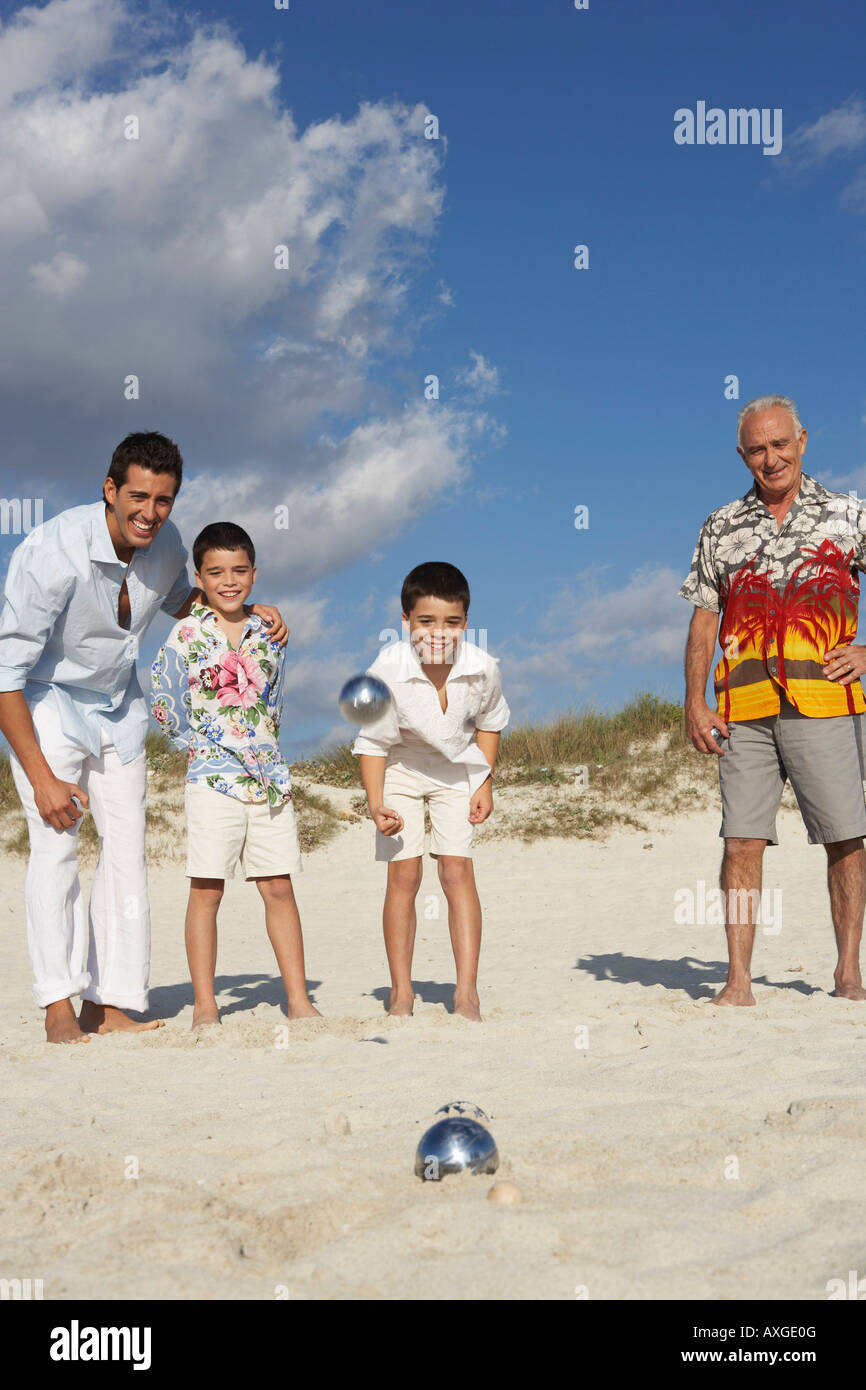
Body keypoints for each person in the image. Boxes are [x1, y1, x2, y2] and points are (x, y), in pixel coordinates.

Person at [0, 433, 287, 1044]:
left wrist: (248, 608)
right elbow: (5, 676)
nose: (149, 512)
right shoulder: (51, 553)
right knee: (56, 848)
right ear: (110, 490)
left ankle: (111, 1003)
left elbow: (186, 601)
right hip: (49, 704)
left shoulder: (168, 546)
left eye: (164, 499)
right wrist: (41, 775)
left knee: (126, 853)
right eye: (137, 496)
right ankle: (58, 1004)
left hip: (119, 711)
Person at [681, 394, 866, 1006]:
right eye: (757, 449)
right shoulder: (719, 526)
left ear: (802, 441)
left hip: (828, 701)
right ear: (743, 455)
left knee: (845, 837)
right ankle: (738, 980)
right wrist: (694, 701)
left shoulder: (847, 513)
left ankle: (847, 973)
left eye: (780, 444)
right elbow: (705, 620)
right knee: (740, 840)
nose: (771, 458)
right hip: (744, 710)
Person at [150, 522, 318, 1027]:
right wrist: (197, 746)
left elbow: (275, 702)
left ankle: (300, 1002)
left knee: (279, 888)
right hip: (210, 780)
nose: (230, 581)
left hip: (268, 781)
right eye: (216, 572)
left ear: (254, 573)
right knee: (207, 891)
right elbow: (163, 699)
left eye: (240, 570)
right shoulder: (186, 632)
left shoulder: (270, 631)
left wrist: (262, 747)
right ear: (198, 577)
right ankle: (205, 1007)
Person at [352, 561, 510, 1022]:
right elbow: (372, 743)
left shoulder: (483, 668)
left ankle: (466, 993)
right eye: (425, 622)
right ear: (406, 622)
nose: (438, 634)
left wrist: (484, 782)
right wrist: (376, 804)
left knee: (457, 872)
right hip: (399, 765)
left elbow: (490, 723)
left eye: (452, 622)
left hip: (456, 768)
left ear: (466, 621)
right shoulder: (385, 670)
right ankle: (401, 992)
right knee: (404, 876)